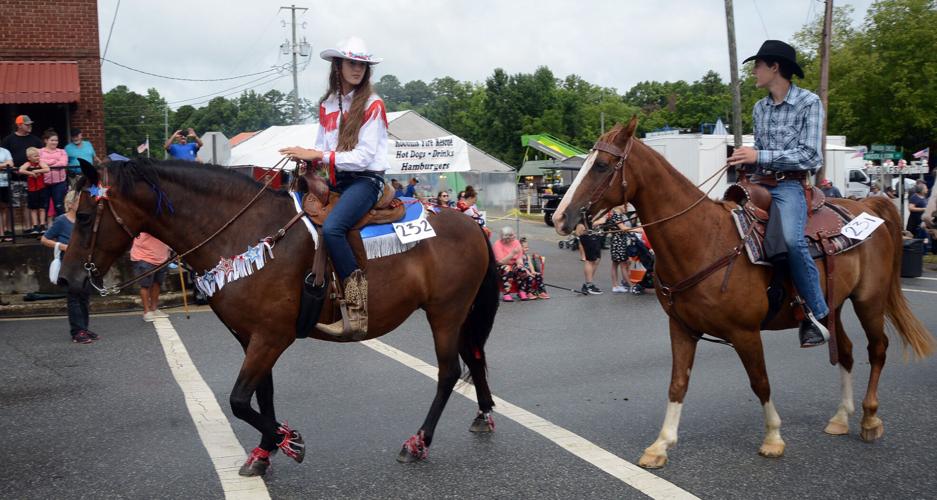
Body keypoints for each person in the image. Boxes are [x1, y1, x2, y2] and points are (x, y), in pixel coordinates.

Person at [278, 36, 387, 339]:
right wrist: (307, 162)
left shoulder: (373, 104)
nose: (357, 69)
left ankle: (357, 308)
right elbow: (320, 145)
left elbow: (364, 156)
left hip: (366, 180)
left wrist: (318, 155)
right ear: (338, 66)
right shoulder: (327, 105)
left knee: (333, 228)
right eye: (352, 63)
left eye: (362, 64)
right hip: (337, 180)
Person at [728, 39, 829, 348]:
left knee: (792, 242)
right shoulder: (760, 108)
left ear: (774, 68)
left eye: (758, 66)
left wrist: (759, 155)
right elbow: (761, 149)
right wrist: (746, 159)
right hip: (758, 182)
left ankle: (817, 315)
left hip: (790, 185)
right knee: (723, 223)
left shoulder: (809, 102)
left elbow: (811, 156)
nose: (754, 72)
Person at [41, 190, 98, 344]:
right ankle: (77, 332)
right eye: (79, 201)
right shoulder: (61, 220)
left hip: (84, 263)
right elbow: (44, 239)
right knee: (74, 297)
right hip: (69, 264)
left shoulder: (84, 221)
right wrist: (63, 246)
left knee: (84, 297)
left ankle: (84, 328)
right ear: (71, 204)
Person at [130, 232, 171, 322]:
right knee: (145, 285)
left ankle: (154, 308)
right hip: (144, 256)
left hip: (161, 257)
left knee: (157, 283)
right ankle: (146, 311)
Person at [18, 147, 49, 235]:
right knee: (33, 209)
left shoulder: (40, 163)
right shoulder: (28, 164)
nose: (37, 157)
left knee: (42, 208)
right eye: (35, 156)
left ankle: (42, 225)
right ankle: (35, 226)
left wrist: (37, 170)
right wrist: (31, 173)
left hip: (41, 188)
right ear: (29, 158)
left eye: (38, 156)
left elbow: (47, 169)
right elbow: (21, 170)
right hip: (32, 189)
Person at [39, 129, 69, 217]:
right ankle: (45, 225)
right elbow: (40, 162)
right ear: (46, 140)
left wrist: (47, 165)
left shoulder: (62, 151)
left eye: (56, 140)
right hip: (44, 183)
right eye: (52, 140)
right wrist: (54, 161)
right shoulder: (40, 152)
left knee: (59, 206)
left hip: (59, 183)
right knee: (44, 206)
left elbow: (63, 163)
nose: (55, 142)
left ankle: (60, 224)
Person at [608, 206, 632, 293]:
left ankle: (615, 285)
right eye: (625, 206)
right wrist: (639, 229)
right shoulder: (617, 215)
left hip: (617, 241)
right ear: (620, 206)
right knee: (623, 264)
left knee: (615, 264)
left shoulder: (616, 215)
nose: (627, 208)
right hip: (618, 242)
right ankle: (631, 285)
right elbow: (623, 228)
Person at [578, 219, 604, 295]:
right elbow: (591, 222)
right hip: (588, 232)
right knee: (590, 260)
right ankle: (589, 284)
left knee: (597, 259)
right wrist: (601, 221)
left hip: (595, 233)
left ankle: (588, 283)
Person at [0, 146, 13, 242]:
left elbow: (11, 164)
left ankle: (4, 232)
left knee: (4, 208)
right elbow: (7, 164)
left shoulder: (5, 151)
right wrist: (4, 165)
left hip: (4, 183)